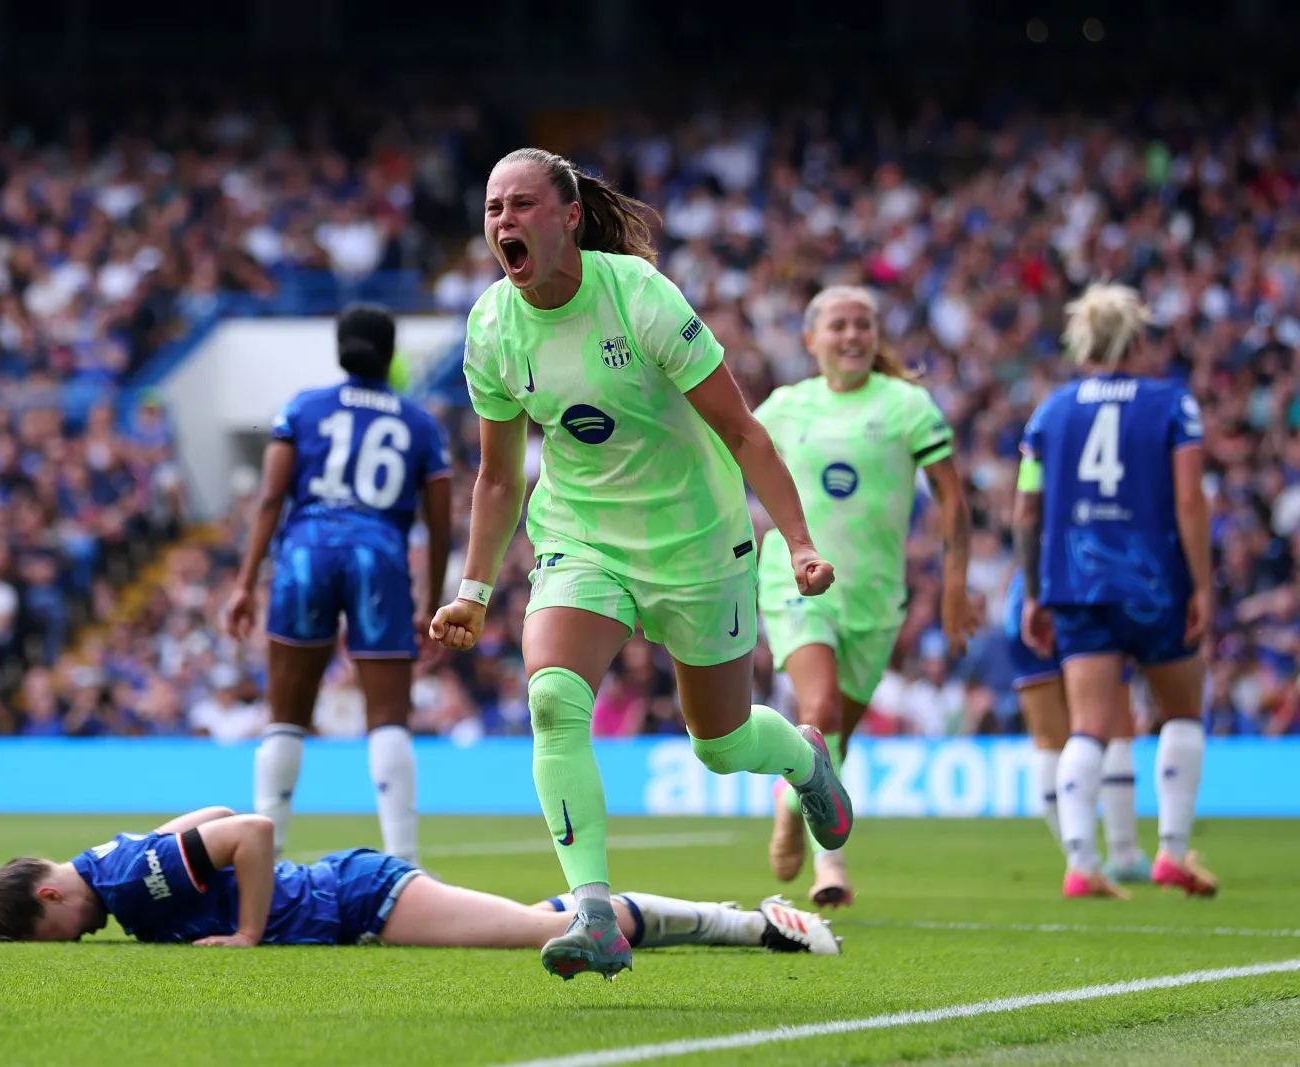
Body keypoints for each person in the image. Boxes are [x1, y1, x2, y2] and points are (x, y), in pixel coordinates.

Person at [428, 147, 853, 981]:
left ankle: (804, 759)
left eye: (521, 204)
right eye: (493, 209)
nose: (504, 221)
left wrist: (799, 540)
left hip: (698, 541)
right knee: (552, 698)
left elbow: (742, 432)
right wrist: (471, 590)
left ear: (569, 217)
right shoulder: (490, 326)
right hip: (583, 537)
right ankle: (593, 914)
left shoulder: (638, 296)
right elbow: (501, 476)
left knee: (721, 743)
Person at [0, 806, 842, 962]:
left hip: (356, 898)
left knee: (547, 932)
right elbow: (210, 814)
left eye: (44, 935)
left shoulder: (126, 883)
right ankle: (736, 919)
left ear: (48, 898)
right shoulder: (109, 864)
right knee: (535, 919)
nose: (66, 943)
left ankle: (754, 925)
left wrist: (248, 931)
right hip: (351, 898)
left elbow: (249, 829)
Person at [756, 285, 974, 909]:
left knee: (833, 739)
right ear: (810, 339)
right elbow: (728, 458)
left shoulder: (907, 405)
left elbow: (951, 497)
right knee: (819, 707)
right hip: (798, 581)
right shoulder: (785, 406)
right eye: (838, 325)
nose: (851, 335)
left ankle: (789, 802)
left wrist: (955, 583)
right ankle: (832, 865)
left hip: (876, 598)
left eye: (863, 325)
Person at [224, 304, 452, 866]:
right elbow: (441, 522)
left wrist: (245, 582)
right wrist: (430, 602)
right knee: (389, 718)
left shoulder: (303, 407)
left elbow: (271, 499)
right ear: (390, 355)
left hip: (307, 554)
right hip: (379, 556)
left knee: (286, 717)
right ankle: (404, 865)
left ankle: (266, 860)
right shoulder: (420, 424)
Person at [1015, 283, 1217, 900]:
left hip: (1076, 584)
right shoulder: (1173, 404)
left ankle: (1081, 864)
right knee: (1182, 713)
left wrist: (1034, 592)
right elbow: (1189, 499)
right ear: (1137, 340)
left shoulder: (1050, 411)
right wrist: (1202, 584)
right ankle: (1172, 852)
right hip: (1154, 581)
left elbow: (1026, 509)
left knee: (1089, 728)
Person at [1004, 569, 1150, 884]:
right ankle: (1123, 854)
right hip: (1089, 586)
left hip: (1025, 595)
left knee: (1048, 740)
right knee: (1114, 727)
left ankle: (1080, 859)